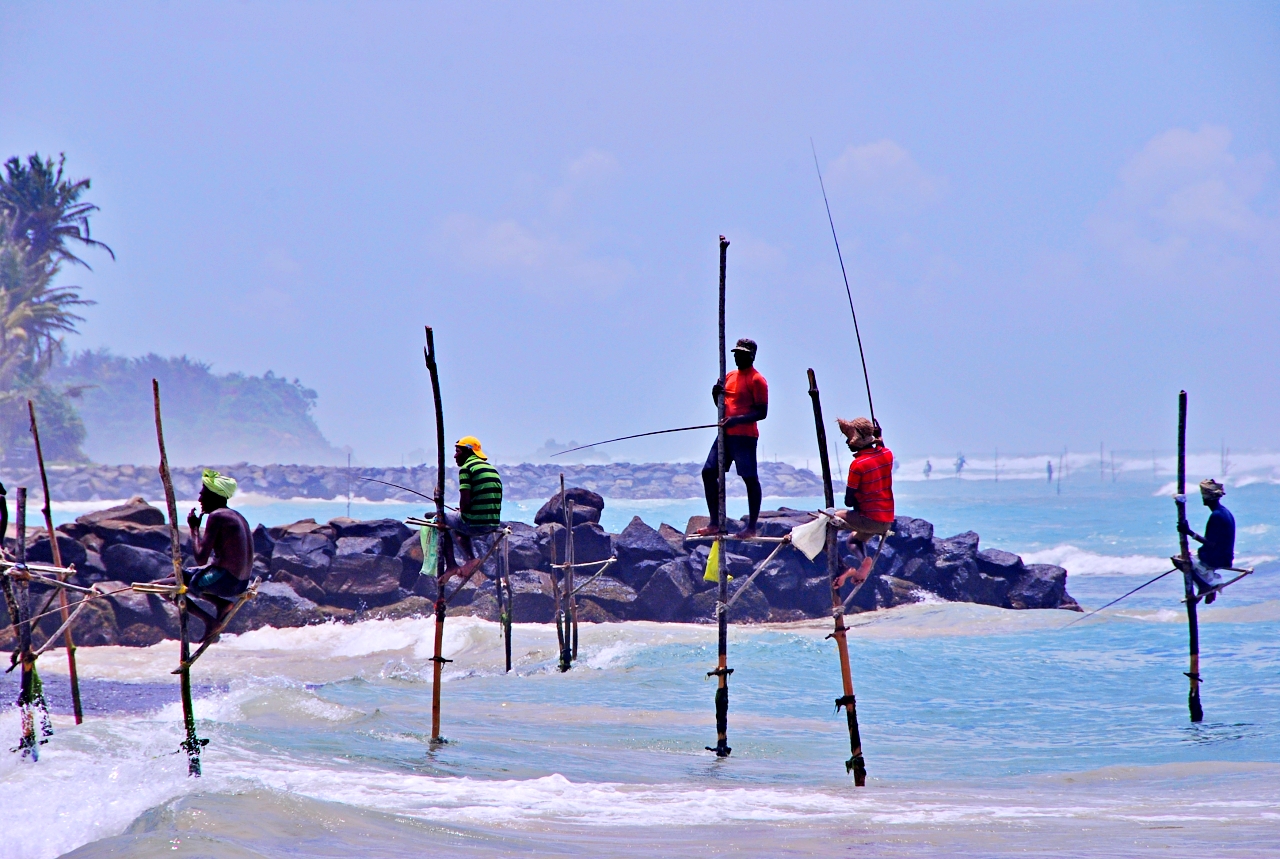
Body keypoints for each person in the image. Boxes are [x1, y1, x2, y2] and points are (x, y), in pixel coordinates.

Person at [156, 469, 253, 642]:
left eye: (203, 495)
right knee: (176, 577)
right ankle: (221, 604)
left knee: (162, 587)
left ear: (215, 497)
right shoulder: (237, 516)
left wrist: (194, 528)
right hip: (240, 582)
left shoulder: (217, 516)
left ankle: (209, 621)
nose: (200, 500)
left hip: (227, 582)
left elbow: (201, 557)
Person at [697, 338, 768, 538]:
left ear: (751, 356)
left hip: (744, 437)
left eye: (742, 353)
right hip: (725, 434)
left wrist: (736, 421)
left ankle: (751, 527)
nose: (737, 356)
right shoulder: (729, 376)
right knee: (708, 473)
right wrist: (715, 394)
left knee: (749, 478)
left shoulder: (757, 380)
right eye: (736, 353)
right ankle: (715, 522)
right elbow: (723, 406)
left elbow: (762, 413)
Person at [832, 417, 894, 587]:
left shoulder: (857, 465)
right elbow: (881, 447)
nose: (847, 442)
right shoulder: (887, 454)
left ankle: (842, 567)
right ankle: (863, 561)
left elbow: (848, 500)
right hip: (886, 521)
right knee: (853, 541)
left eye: (849, 439)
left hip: (868, 519)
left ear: (857, 442)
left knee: (827, 521)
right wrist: (879, 437)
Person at [439, 435, 503, 572]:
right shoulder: (491, 468)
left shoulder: (466, 469)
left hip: (476, 524)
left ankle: (451, 565)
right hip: (492, 523)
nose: (455, 456)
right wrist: (463, 510)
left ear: (468, 452)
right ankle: (469, 559)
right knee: (457, 521)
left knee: (440, 518)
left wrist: (462, 510)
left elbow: (465, 503)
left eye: (458, 452)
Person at [1179, 478, 1235, 604]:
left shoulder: (1216, 516)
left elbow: (1210, 543)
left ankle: (1204, 586)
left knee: (1179, 560)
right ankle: (1209, 585)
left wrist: (1188, 532)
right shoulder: (1224, 512)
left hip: (1216, 558)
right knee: (1191, 556)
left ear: (1207, 498)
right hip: (1225, 557)